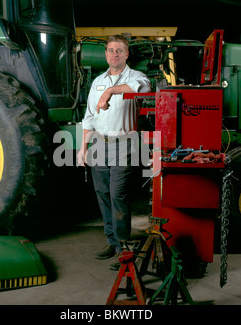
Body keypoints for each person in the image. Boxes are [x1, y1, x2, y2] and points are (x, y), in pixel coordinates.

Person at [77, 35, 151, 270]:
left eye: (119, 50)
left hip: (124, 143)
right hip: (99, 143)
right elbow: (89, 117)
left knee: (118, 195)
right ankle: (113, 242)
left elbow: (142, 89)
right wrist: (83, 148)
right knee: (103, 193)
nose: (114, 54)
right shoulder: (98, 81)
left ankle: (123, 249)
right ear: (106, 54)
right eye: (110, 50)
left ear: (127, 54)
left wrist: (111, 92)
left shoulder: (137, 77)